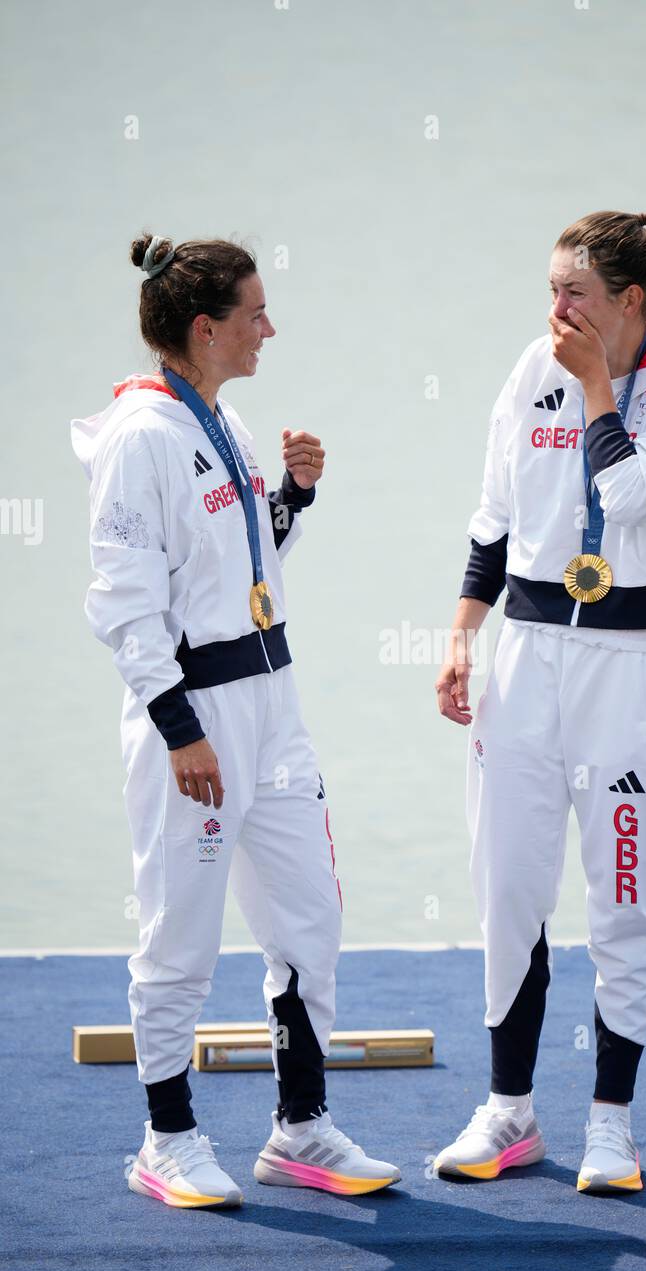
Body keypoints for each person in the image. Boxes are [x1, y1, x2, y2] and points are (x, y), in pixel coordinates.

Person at [71, 233, 400, 1206]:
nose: (268, 327)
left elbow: (243, 575)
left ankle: (299, 1127)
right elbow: (124, 607)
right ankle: (164, 1137)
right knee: (179, 935)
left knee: (310, 920)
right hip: (196, 717)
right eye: (254, 313)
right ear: (205, 329)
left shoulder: (221, 418)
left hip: (272, 706)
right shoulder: (140, 440)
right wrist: (179, 730)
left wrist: (290, 497)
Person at [432, 211, 646, 1192]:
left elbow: (637, 491)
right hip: (521, 660)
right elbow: (491, 515)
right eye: (550, 289)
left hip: (628, 667)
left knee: (622, 900)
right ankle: (507, 1111)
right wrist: (458, 639)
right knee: (506, 887)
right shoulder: (531, 369)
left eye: (575, 293)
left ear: (631, 301)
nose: (553, 310)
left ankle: (610, 1125)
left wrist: (600, 387)